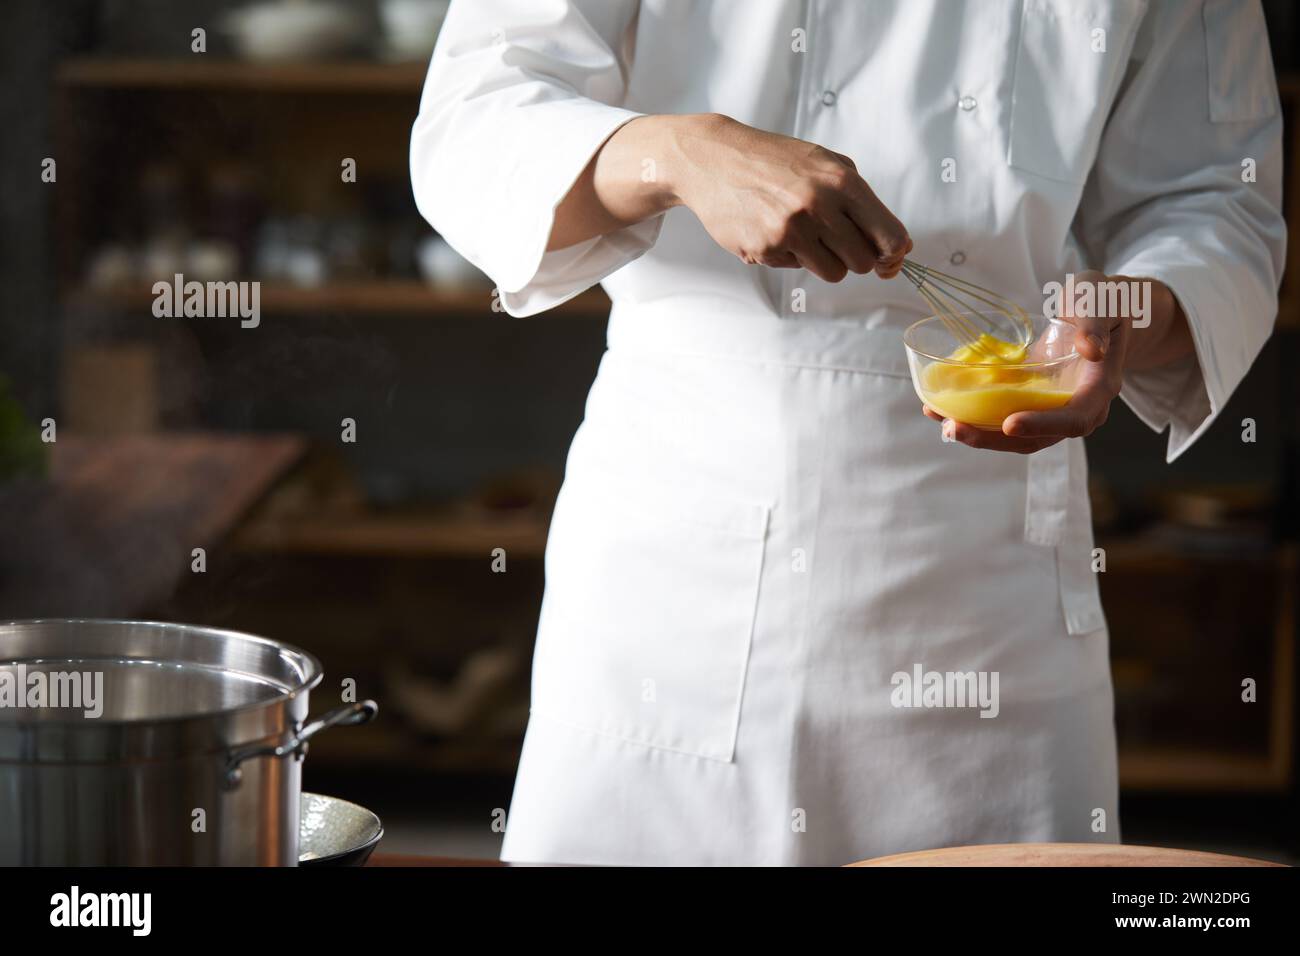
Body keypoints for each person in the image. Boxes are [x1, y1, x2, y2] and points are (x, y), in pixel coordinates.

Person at [411, 0, 1286, 865]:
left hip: (984, 563)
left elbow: (1216, 203)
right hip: (677, 537)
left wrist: (1129, 312)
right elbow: (472, 117)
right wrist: (678, 150)